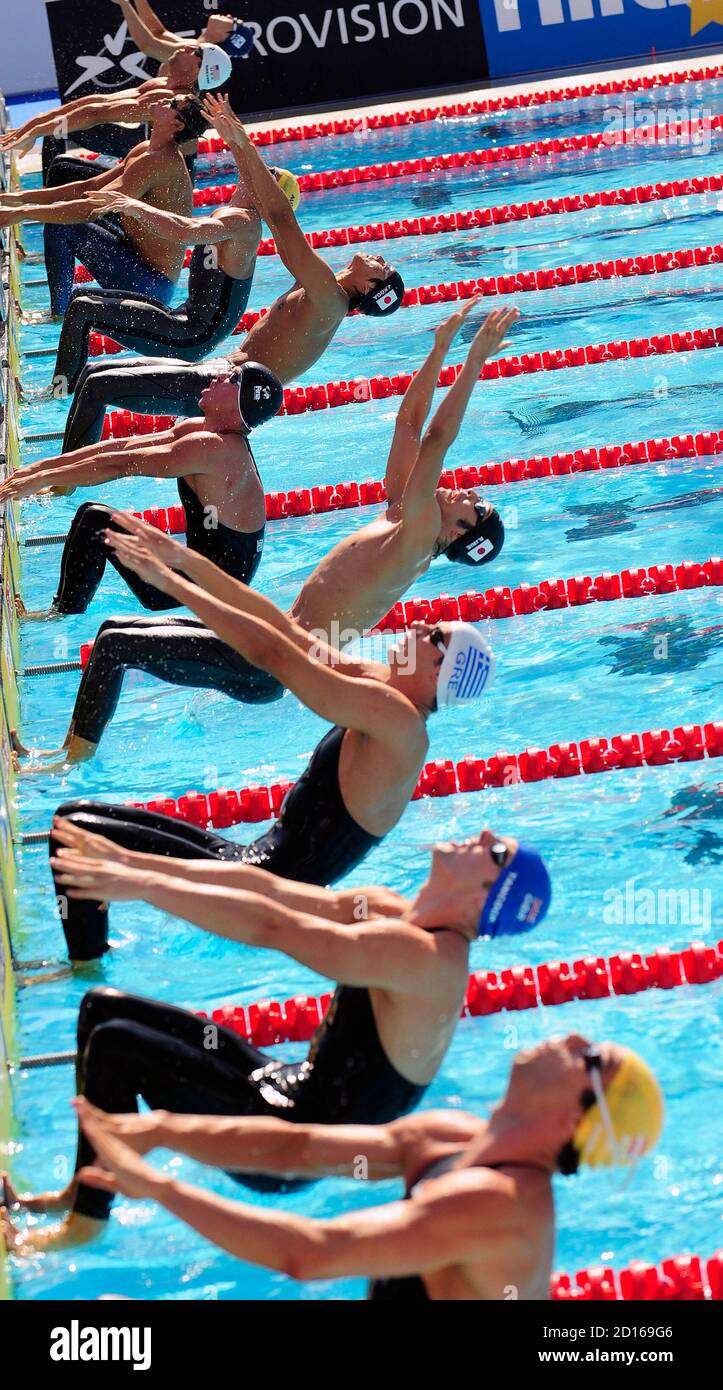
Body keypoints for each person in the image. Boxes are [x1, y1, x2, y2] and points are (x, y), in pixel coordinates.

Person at [0, 819, 551, 1252]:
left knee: (117, 1045)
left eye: (496, 852)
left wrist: (142, 885)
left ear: (486, 899)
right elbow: (269, 890)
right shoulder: (393, 912)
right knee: (101, 1010)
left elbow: (275, 928)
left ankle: (82, 1230)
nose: (482, 836)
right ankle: (81, 1192)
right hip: (278, 1085)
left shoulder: (427, 960)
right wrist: (133, 863)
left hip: (286, 1139)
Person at [8, 306, 510, 767]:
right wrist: (439, 348)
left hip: (269, 663)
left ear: (462, 531)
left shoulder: (418, 538)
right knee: (114, 638)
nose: (467, 491)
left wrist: (472, 361)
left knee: (117, 643)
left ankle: (60, 764)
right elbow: (409, 423)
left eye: (474, 503)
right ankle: (62, 754)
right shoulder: (405, 519)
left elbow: (437, 439)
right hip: (268, 642)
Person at [1, 1036, 661, 1285]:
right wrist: (163, 1130)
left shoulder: (501, 1206)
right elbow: (301, 1148)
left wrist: (162, 1190)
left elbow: (311, 1254)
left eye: (591, 1059)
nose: (572, 1037)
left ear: (577, 1118)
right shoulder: (452, 1137)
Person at [59, 93, 406, 454]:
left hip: (231, 385)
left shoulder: (328, 297)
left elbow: (281, 220)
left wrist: (239, 139)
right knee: (94, 379)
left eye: (383, 267)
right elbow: (274, 213)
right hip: (225, 375)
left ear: (368, 286)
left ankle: (59, 486)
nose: (380, 256)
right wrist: (237, 141)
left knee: (98, 385)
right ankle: (61, 475)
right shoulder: (325, 293)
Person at [5, 360, 282, 643]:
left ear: (239, 404)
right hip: (197, 572)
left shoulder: (218, 451)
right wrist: (40, 469)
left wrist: (39, 479)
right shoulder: (204, 432)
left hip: (201, 591)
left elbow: (121, 465)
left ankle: (58, 618)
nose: (221, 375)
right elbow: (123, 448)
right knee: (99, 518)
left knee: (96, 521)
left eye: (232, 379)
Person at [48, 160, 300, 395]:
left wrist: (133, 206)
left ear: (268, 195)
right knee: (81, 298)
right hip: (184, 323)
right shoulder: (236, 215)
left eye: (269, 173)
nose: (259, 166)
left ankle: (56, 396)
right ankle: (63, 388)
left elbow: (185, 231)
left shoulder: (243, 222)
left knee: (83, 308)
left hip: (189, 335)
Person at [0, 99, 210, 317]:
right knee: (63, 206)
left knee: (62, 225)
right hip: (137, 263)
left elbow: (91, 208)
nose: (166, 99)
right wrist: (16, 199)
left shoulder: (158, 162)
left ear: (177, 125)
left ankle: (59, 317)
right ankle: (60, 312)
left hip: (149, 285)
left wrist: (21, 214)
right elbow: (90, 187)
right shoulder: (145, 150)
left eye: (173, 103)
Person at [0, 42, 231, 174]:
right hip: (140, 154)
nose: (185, 47)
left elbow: (97, 114)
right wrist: (35, 123)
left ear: (198, 71)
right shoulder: (160, 84)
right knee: (57, 127)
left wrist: (34, 130)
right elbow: (97, 102)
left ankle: (51, 206)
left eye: (194, 51)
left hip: (167, 184)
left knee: (58, 131)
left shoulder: (173, 100)